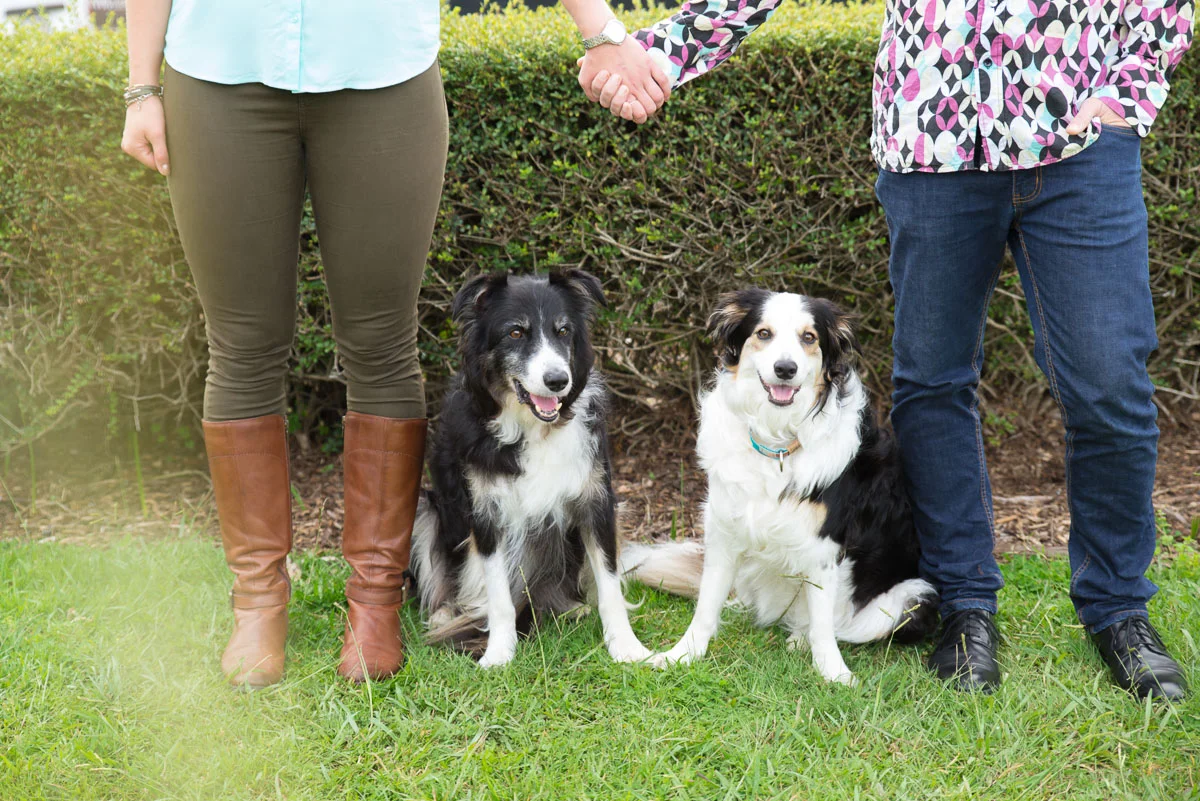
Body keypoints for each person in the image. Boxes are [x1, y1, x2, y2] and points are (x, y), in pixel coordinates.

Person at [590, 0, 1193, 700]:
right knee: (933, 386)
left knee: (1109, 385)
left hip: (1084, 143)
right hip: (935, 139)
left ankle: (1119, 608)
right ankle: (964, 605)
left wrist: (1127, 87)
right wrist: (660, 54)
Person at [119, 0, 670, 688]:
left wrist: (601, 33)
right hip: (220, 68)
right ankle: (258, 602)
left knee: (381, 342)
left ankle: (375, 602)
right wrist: (143, 86)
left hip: (381, 68)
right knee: (241, 344)